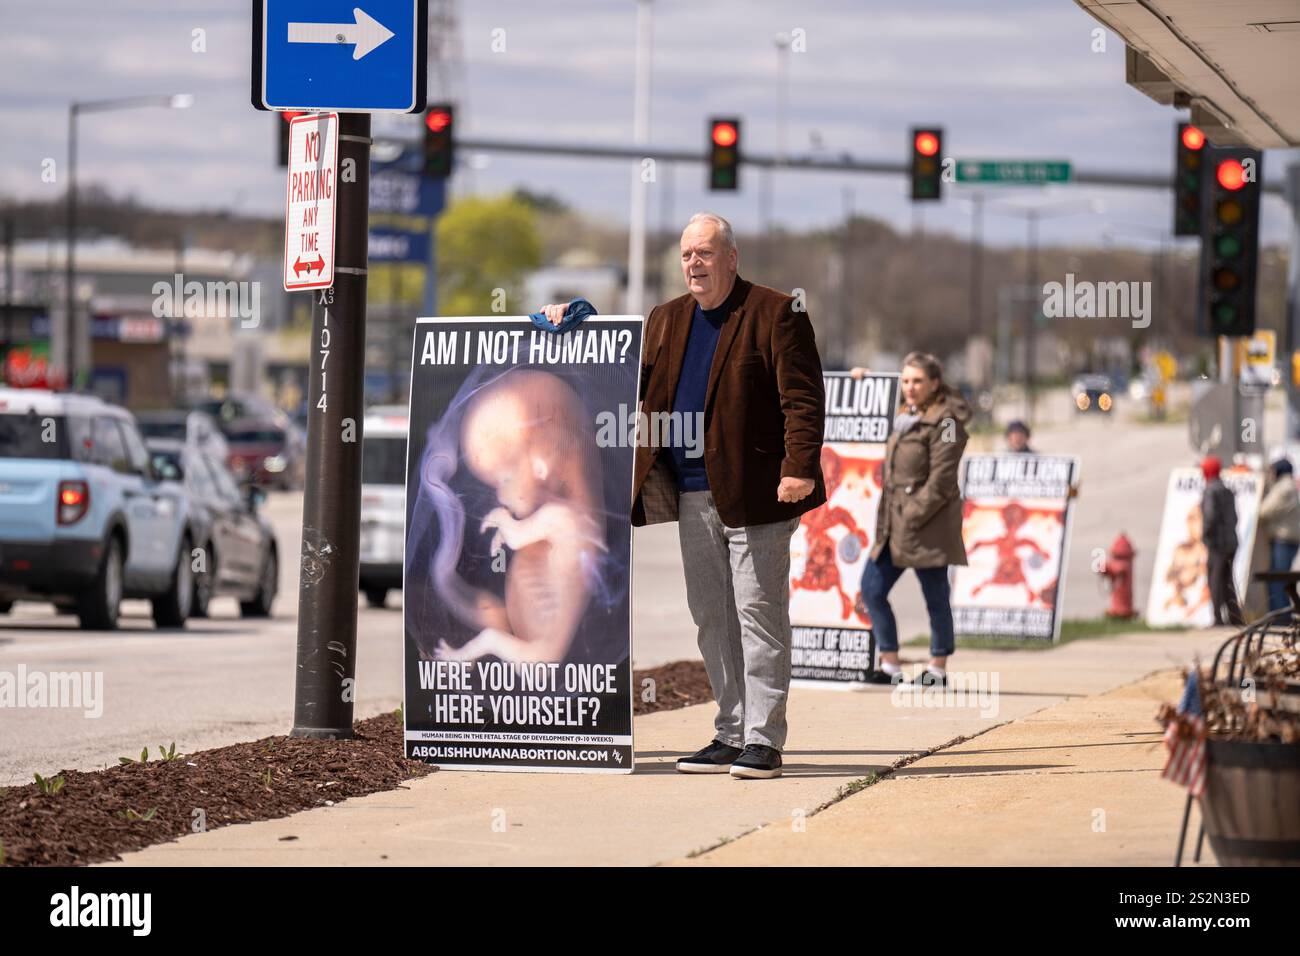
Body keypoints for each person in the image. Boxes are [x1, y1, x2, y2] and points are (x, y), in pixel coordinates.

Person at [539, 212, 825, 780]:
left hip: (758, 492)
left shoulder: (774, 311)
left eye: (706, 253)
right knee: (711, 617)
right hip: (693, 492)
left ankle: (764, 741)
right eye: (687, 254)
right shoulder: (667, 319)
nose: (694, 263)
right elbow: (630, 375)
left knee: (758, 612)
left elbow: (802, 397)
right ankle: (731, 730)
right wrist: (579, 322)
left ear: (732, 257)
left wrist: (800, 468)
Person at [850, 354, 970, 686]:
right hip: (893, 524)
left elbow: (943, 478)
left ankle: (938, 668)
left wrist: (913, 513)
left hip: (927, 524)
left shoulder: (947, 421)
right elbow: (877, 405)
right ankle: (889, 664)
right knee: (871, 589)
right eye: (905, 381)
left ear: (934, 383)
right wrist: (865, 381)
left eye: (917, 381)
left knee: (935, 595)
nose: (910, 388)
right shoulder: (906, 415)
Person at [1200, 455, 1243, 626]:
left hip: (1217, 544)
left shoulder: (1210, 490)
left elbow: (1209, 517)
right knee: (1228, 581)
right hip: (1231, 542)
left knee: (1215, 581)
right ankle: (1235, 617)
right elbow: (1235, 517)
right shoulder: (1227, 490)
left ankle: (1217, 618)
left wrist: (1206, 536)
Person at [1259, 457, 1300, 613]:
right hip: (1287, 538)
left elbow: (1265, 511)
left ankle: (1280, 615)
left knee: (1277, 580)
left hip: (1284, 539)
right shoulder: (1288, 486)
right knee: (1280, 578)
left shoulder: (1284, 488)